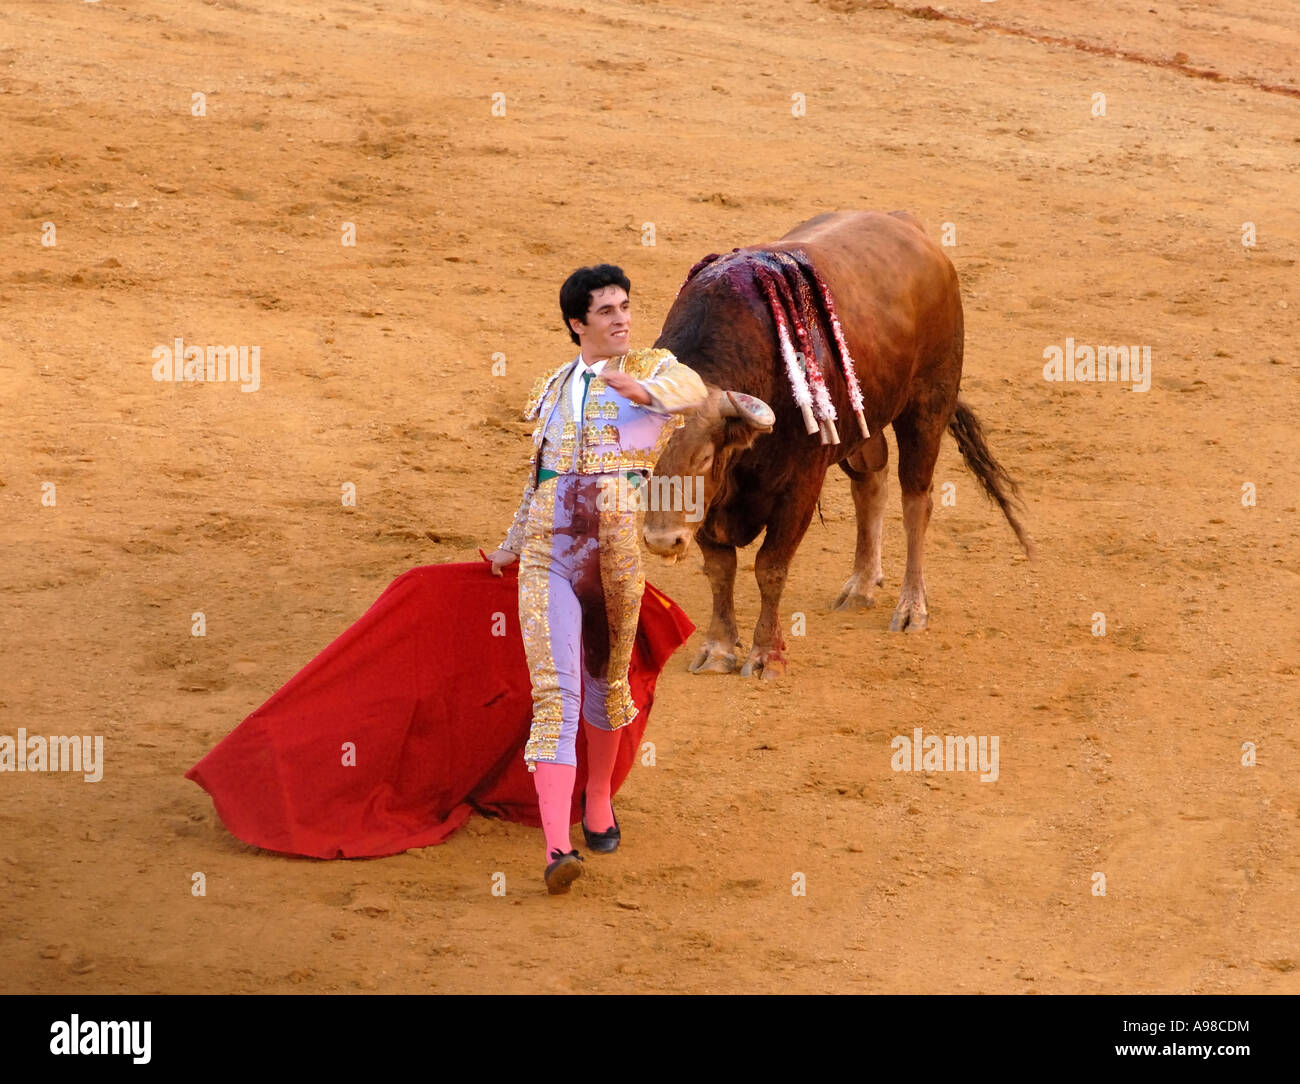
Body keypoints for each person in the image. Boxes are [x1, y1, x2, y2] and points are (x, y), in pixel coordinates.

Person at [485, 264, 707, 894]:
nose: (621, 319)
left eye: (626, 307)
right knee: (557, 696)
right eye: (607, 311)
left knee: (606, 683)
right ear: (578, 324)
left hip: (614, 555)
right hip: (548, 551)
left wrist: (645, 394)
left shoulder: (657, 367)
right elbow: (540, 478)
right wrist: (509, 543)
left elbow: (693, 390)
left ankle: (600, 795)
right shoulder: (555, 387)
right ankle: (557, 848)